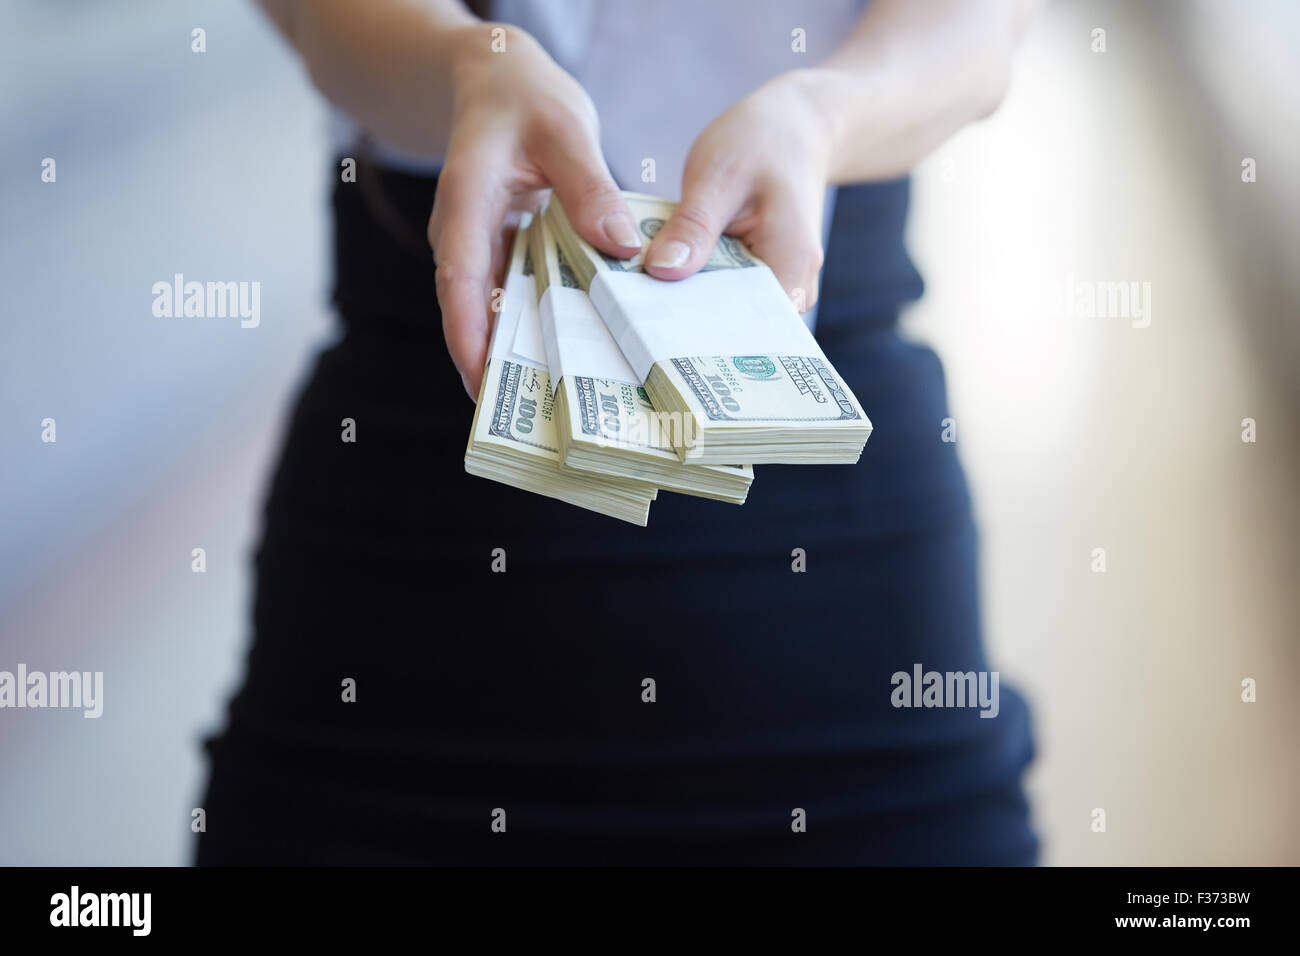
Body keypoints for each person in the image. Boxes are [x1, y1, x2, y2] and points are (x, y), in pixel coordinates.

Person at [196, 0, 1040, 865]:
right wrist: (465, 66)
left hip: (831, 566)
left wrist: (829, 110)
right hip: (410, 559)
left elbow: (983, 31)